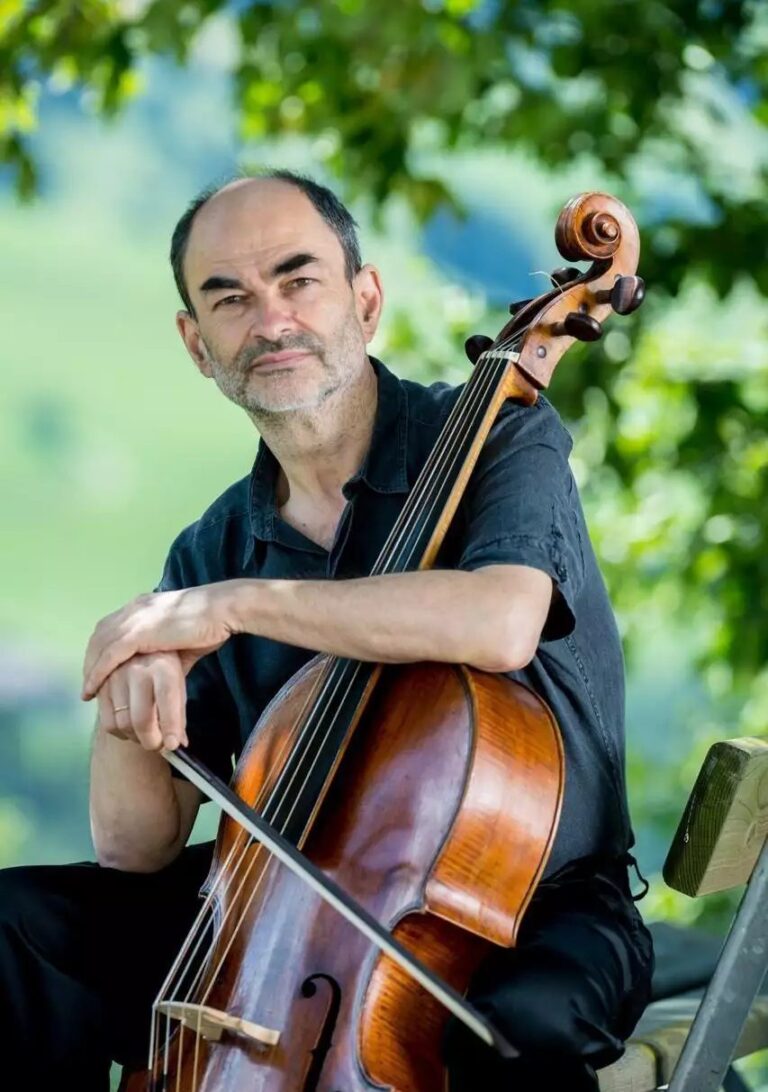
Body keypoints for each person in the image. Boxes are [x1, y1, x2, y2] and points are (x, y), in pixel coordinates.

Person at [0, 170, 653, 1090]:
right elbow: (137, 852)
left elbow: (501, 620)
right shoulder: (215, 543)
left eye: (297, 279)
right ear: (197, 344)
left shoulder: (500, 438)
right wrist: (129, 676)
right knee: (16, 930)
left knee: (523, 1035)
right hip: (274, 905)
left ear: (366, 298)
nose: (270, 320)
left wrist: (234, 607)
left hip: (528, 903)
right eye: (229, 299)